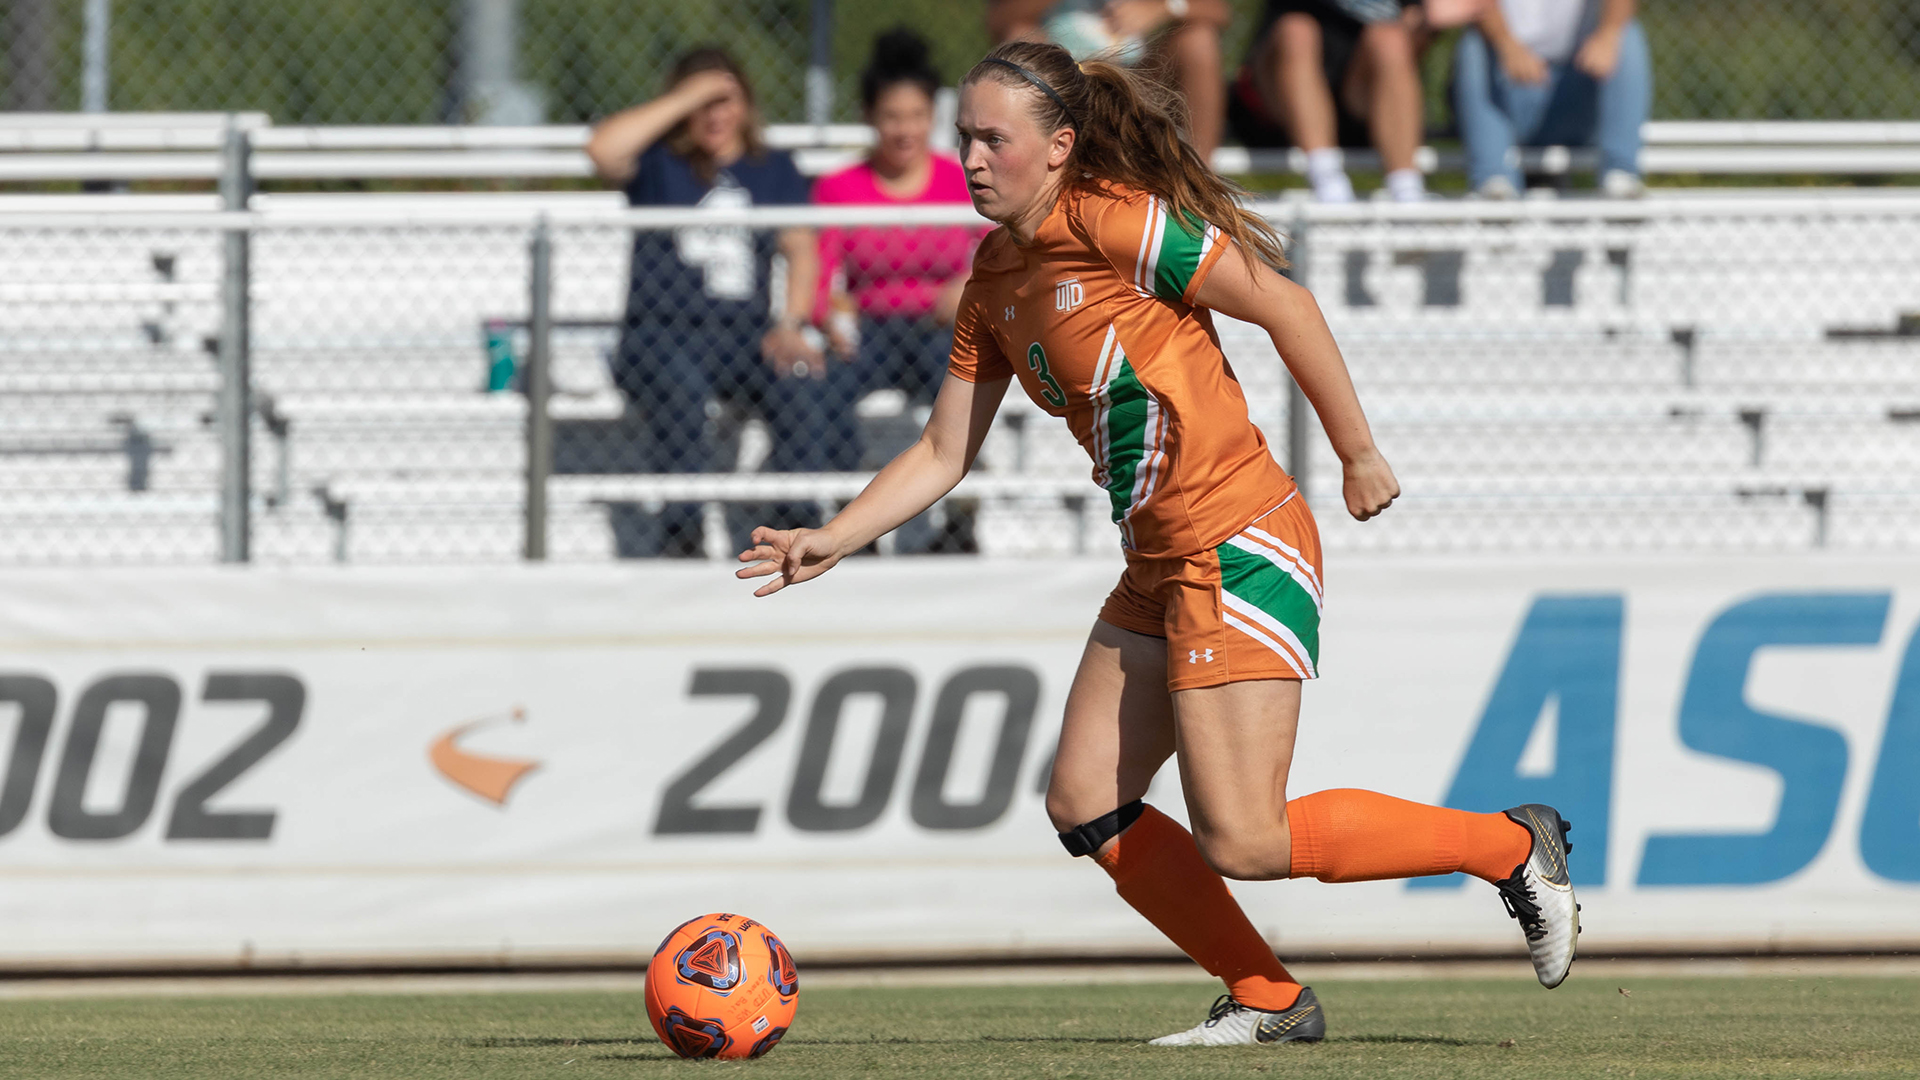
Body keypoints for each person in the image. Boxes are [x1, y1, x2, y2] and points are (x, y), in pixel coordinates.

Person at [737, 40, 1580, 1045]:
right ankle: (1269, 997)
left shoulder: (1115, 222)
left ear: (1058, 147)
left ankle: (1508, 846)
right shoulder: (994, 277)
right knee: (1086, 800)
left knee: (1247, 838)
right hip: (1157, 563)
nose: (967, 157)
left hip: (1239, 540)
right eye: (963, 137)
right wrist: (833, 536)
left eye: (990, 139)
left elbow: (1284, 302)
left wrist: (1358, 453)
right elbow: (939, 449)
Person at [586, 47, 859, 557]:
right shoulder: (657, 163)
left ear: (747, 104)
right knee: (682, 391)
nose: (715, 114)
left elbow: (802, 249)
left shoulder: (772, 167)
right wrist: (687, 96)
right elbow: (602, 150)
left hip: (744, 335)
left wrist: (791, 323)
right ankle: (681, 534)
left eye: (725, 100)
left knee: (799, 381)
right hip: (659, 333)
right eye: (701, 103)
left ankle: (796, 529)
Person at [815, 29, 981, 408]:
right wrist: (830, 314)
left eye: (917, 116)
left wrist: (970, 284)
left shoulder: (962, 178)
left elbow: (1001, 249)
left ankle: (961, 465)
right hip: (868, 332)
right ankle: (842, 467)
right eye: (892, 117)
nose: (905, 131)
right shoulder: (838, 187)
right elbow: (820, 271)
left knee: (961, 385)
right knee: (824, 390)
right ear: (869, 117)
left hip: (943, 330)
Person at [1227, 0, 1429, 202]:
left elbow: (1432, 20)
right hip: (1277, 97)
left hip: (1358, 95)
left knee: (1390, 39)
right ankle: (1329, 186)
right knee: (1297, 30)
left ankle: (1407, 192)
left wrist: (1428, 18)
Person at [988, 0, 1234, 162]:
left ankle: (1200, 185)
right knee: (1019, 37)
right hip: (1061, 79)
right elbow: (999, 21)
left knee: (1198, 40)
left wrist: (1165, 7)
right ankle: (1031, 175)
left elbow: (1219, 10)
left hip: (1137, 80)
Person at [1452, 0, 1650, 198]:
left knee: (1625, 33)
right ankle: (1493, 181)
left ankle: (1621, 174)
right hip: (1510, 97)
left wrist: (1607, 34)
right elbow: (1478, 6)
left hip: (1579, 93)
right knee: (1474, 45)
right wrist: (1506, 44)